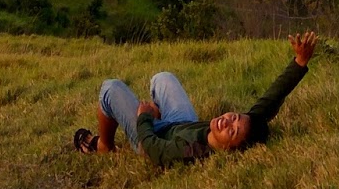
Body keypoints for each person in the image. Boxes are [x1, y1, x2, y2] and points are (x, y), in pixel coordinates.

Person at [73, 31, 317, 165]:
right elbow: (271, 99)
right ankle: (158, 112)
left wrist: (145, 119)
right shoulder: (244, 124)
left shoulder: (193, 151)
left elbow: (156, 151)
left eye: (231, 131)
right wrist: (300, 62)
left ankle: (104, 146)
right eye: (233, 117)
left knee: (110, 88)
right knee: (163, 77)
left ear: (230, 149)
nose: (226, 122)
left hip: (152, 138)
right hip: (181, 124)